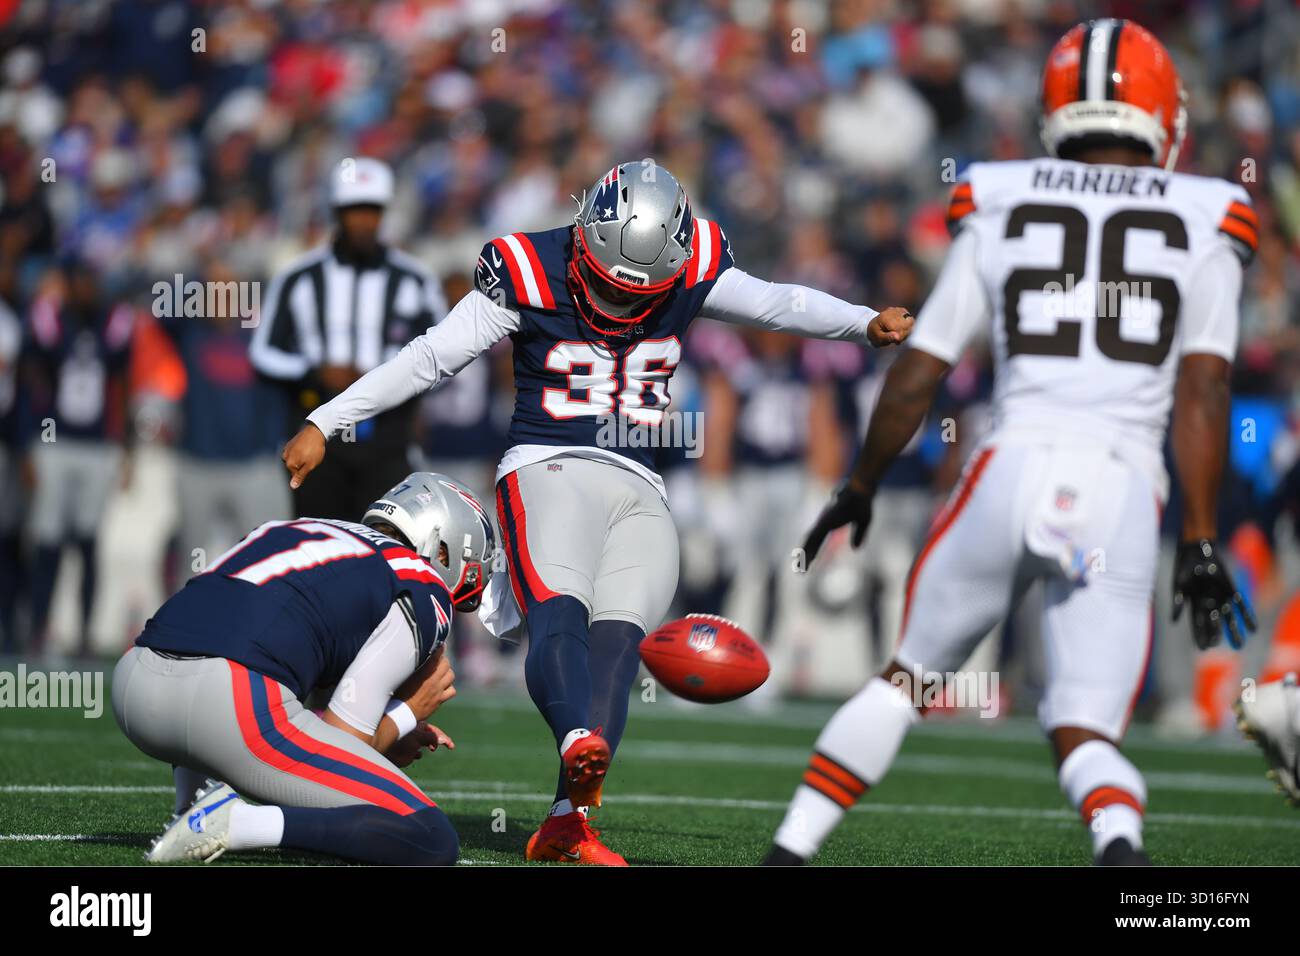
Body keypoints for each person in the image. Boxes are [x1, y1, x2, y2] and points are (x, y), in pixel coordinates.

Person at [280, 159, 914, 864]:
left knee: (619, 644)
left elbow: (779, 304)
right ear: (586, 235)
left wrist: (863, 323)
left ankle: (568, 819)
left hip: (641, 481)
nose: (620, 304)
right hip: (547, 467)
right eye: (609, 283)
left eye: (637, 292)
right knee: (561, 615)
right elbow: (431, 358)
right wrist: (328, 419)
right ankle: (575, 742)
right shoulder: (527, 266)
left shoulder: (695, 263)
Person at [766, 19, 1256, 866]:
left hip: (1011, 459)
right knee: (1085, 728)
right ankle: (1122, 853)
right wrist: (1202, 540)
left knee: (906, 682)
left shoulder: (1000, 193)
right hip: (1120, 482)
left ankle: (789, 851)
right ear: (1163, 114)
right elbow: (1205, 391)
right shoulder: (1211, 211)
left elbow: (920, 368)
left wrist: (862, 484)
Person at [111, 472, 494, 866]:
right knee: (429, 837)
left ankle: (191, 803)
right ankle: (237, 823)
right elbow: (344, 735)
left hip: (133, 684)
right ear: (445, 550)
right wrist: (405, 714)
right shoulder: (421, 578)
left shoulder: (295, 528)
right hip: (229, 705)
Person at [250, 158, 447, 520]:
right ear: (337, 212)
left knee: (385, 544)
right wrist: (315, 371)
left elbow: (446, 355)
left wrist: (390, 378)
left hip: (389, 438)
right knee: (318, 544)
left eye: (371, 210)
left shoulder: (415, 279)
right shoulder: (298, 277)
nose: (363, 220)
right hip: (317, 435)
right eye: (353, 210)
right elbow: (263, 352)